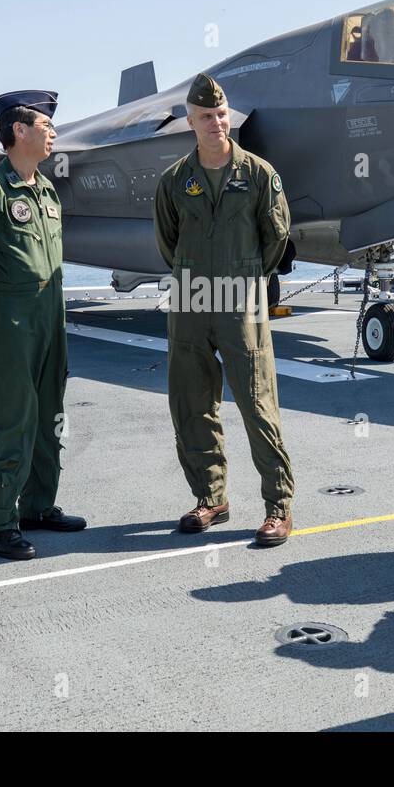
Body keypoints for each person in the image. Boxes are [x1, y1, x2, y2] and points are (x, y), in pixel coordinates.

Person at [153, 73, 295, 546]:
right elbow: (168, 242)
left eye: (221, 115)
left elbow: (275, 239)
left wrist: (244, 277)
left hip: (242, 299)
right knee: (191, 403)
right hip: (191, 298)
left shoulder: (259, 175)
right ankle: (210, 497)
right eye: (205, 117)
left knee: (257, 402)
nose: (216, 123)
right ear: (190, 122)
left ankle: (278, 506)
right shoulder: (174, 181)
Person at [0, 90, 86, 561]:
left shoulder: (46, 190)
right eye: (44, 124)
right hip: (10, 319)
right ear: (18, 132)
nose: (52, 132)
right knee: (11, 418)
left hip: (52, 315)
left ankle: (38, 507)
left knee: (50, 414)